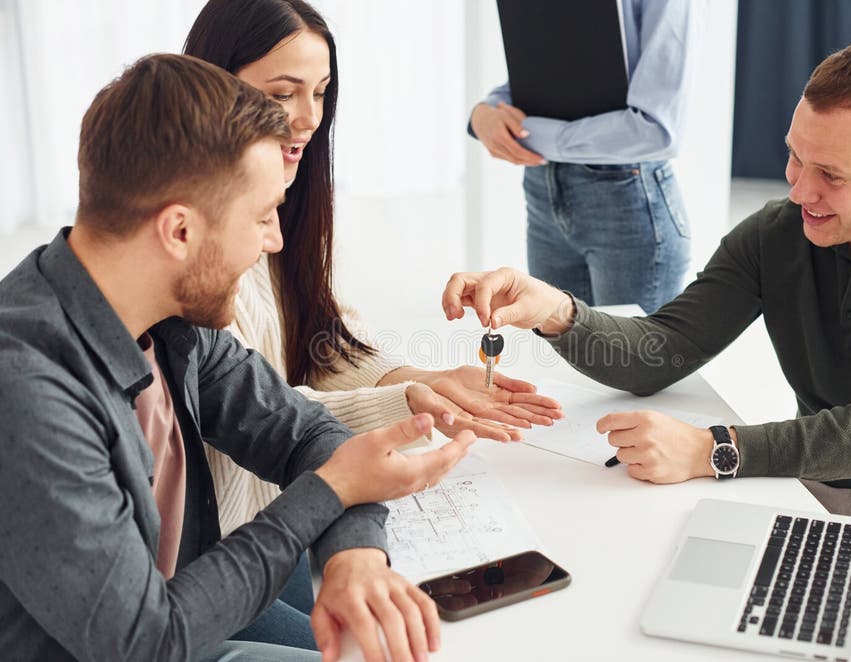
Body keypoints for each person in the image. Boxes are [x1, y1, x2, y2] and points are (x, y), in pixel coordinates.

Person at [444, 36, 851, 654]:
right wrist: (556, 310)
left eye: (830, 175)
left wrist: (715, 451)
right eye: (794, 158)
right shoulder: (780, 233)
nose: (798, 190)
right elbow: (665, 347)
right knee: (665, 615)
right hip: (812, 484)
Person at [0, 53, 475, 662]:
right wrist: (330, 492)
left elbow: (307, 434)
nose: (275, 238)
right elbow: (148, 641)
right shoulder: (29, 394)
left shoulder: (163, 314)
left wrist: (354, 556)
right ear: (179, 231)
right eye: (260, 216)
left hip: (189, 615)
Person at [183, 0, 562, 538]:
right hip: (241, 533)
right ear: (210, 87)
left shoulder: (288, 198)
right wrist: (403, 401)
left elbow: (321, 337)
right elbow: (255, 408)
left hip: (288, 512)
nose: (311, 118)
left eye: (320, 92)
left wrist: (420, 381)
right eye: (282, 94)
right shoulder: (191, 249)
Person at [468, 0, 702, 313]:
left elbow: (657, 129)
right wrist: (486, 113)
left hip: (626, 203)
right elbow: (550, 71)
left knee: (627, 358)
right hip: (544, 190)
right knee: (555, 357)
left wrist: (529, 132)